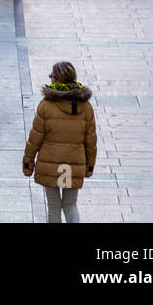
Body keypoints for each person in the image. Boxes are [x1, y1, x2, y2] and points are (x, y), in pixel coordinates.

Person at [23, 61, 96, 223]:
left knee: (54, 205)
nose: (50, 78)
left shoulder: (46, 105)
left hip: (50, 164)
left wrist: (28, 162)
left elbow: (35, 138)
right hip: (74, 164)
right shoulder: (86, 107)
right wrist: (90, 166)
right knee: (70, 204)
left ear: (57, 79)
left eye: (52, 76)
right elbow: (91, 141)